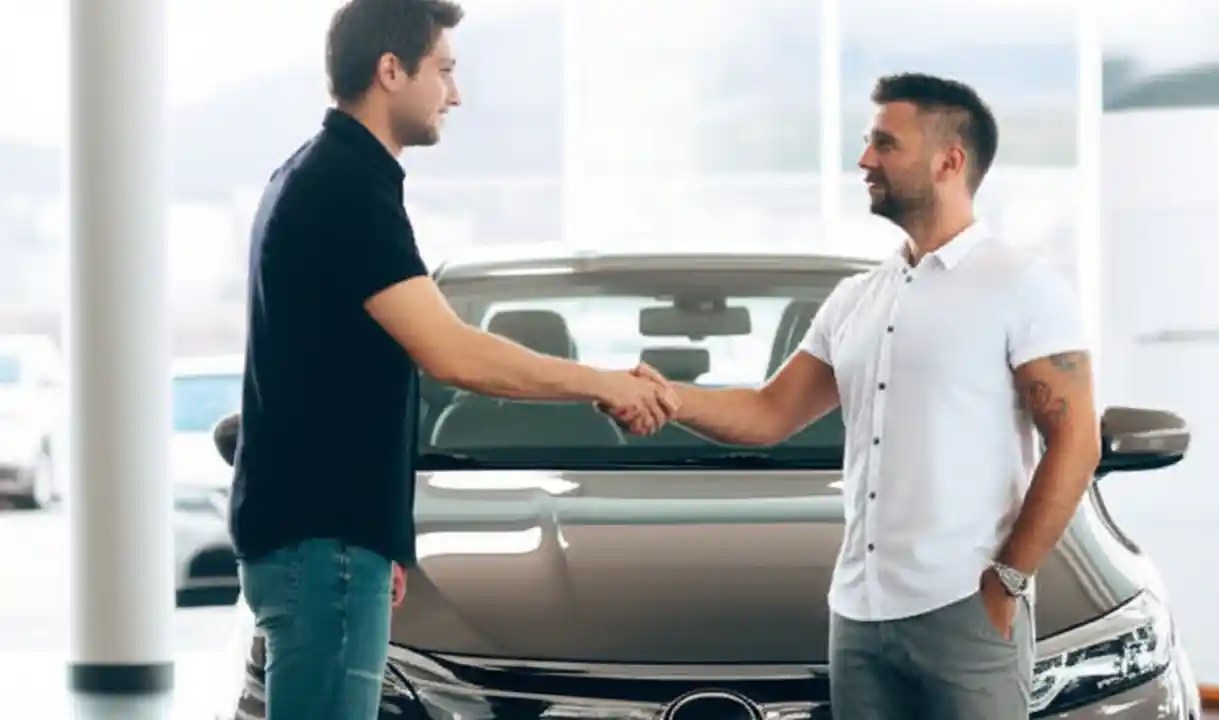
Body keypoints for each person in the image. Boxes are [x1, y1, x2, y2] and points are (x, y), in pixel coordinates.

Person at [228, 1, 677, 718]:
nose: (455, 94)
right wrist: (602, 382)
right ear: (389, 70)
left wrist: (384, 540)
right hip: (325, 547)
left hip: (331, 544)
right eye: (444, 70)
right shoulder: (344, 186)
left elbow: (340, 371)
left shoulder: (314, 173)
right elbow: (450, 351)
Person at [609, 73, 1101, 719]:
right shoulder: (856, 298)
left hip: (964, 607)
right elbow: (768, 413)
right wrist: (666, 396)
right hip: (859, 613)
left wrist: (1009, 580)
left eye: (884, 144)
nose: (865, 161)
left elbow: (1076, 439)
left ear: (949, 159)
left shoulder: (1021, 285)